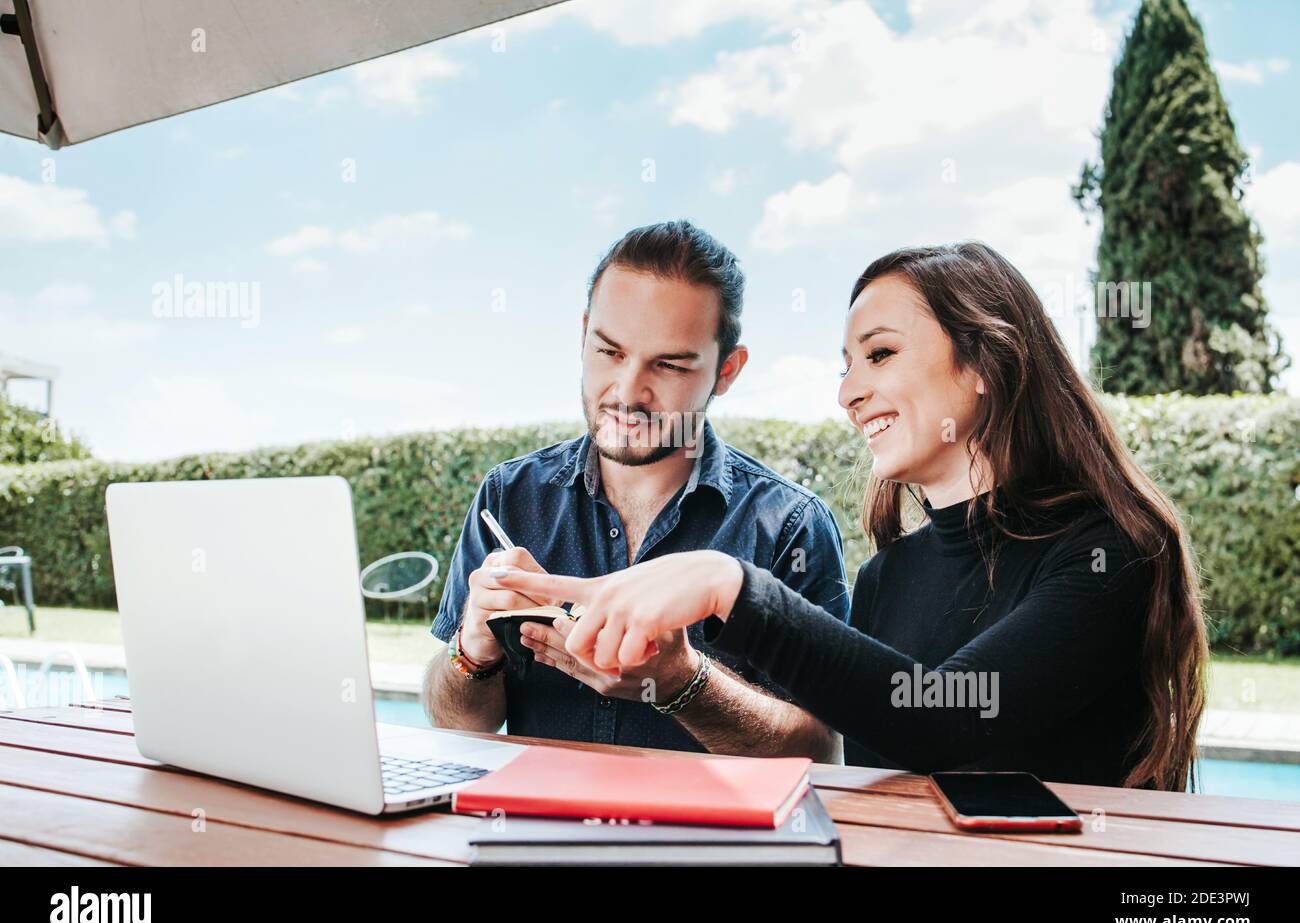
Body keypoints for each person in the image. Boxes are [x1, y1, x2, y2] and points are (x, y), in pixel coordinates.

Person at [491, 241, 1210, 790]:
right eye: (847, 364)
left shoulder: (1107, 555)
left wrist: (728, 584)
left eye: (881, 355)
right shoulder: (888, 576)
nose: (848, 394)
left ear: (987, 363)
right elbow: (863, 786)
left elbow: (939, 720)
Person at [423, 220, 850, 761]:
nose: (628, 393)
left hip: (708, 844)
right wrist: (472, 653)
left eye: (669, 364)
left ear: (727, 371)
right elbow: (458, 725)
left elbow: (822, 752)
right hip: (540, 838)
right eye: (609, 352)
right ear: (583, 335)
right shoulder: (509, 496)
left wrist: (683, 684)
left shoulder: (790, 525)